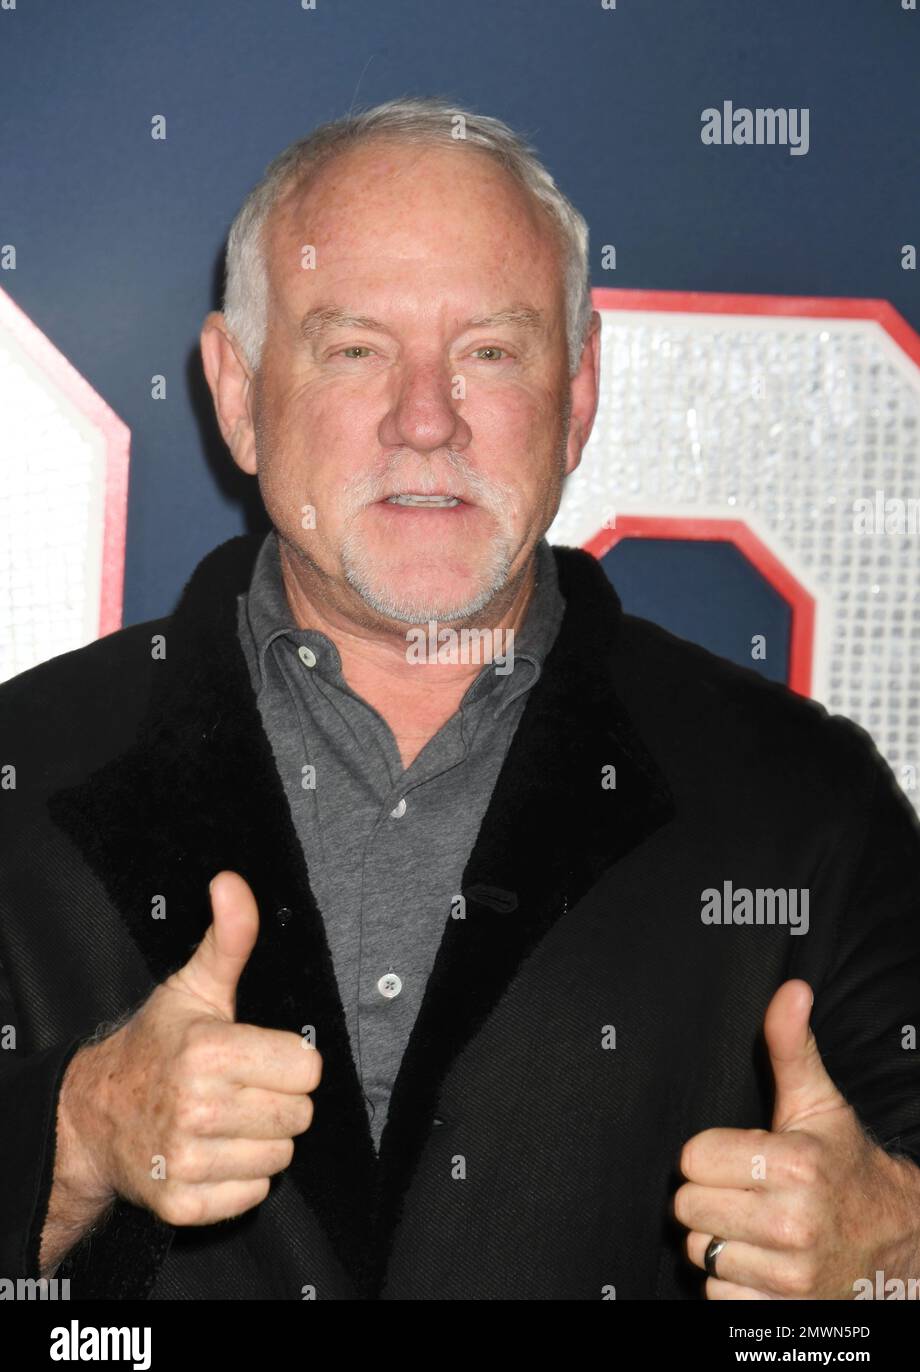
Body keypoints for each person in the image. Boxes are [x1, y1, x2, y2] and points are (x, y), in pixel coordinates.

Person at [2, 96, 920, 1302]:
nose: (425, 419)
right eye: (354, 349)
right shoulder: (21, 772)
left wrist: (888, 1257)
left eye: (489, 349)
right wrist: (70, 1144)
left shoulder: (806, 801)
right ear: (235, 392)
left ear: (578, 394)